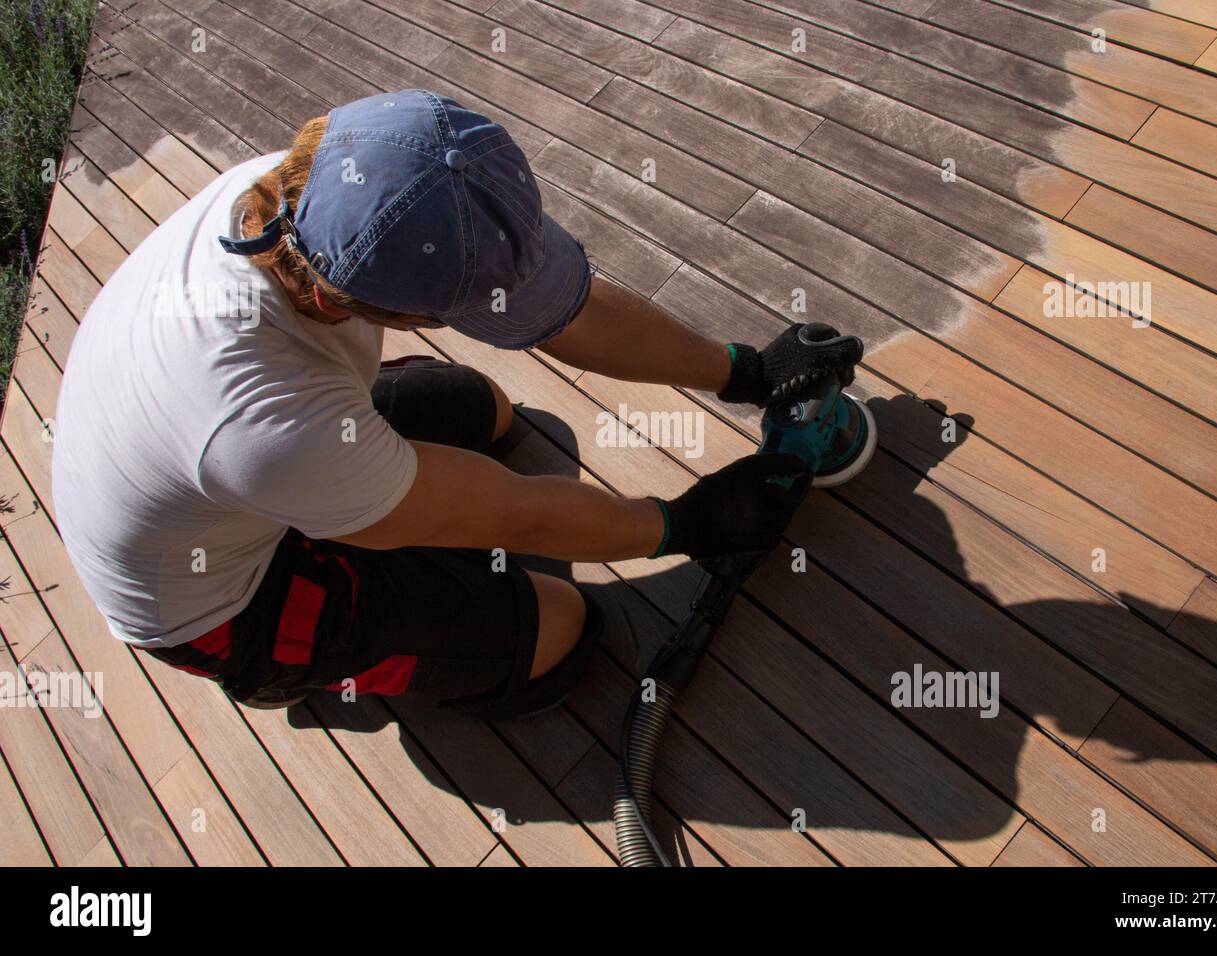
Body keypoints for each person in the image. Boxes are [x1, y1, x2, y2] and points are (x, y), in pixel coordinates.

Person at [51, 90, 861, 716]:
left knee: (486, 412)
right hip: (220, 601)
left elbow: (567, 316)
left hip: (219, 465)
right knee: (557, 632)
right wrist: (686, 526)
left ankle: (358, 527)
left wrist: (747, 371)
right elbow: (519, 518)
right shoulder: (269, 421)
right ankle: (303, 671)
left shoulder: (322, 186)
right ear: (355, 305)